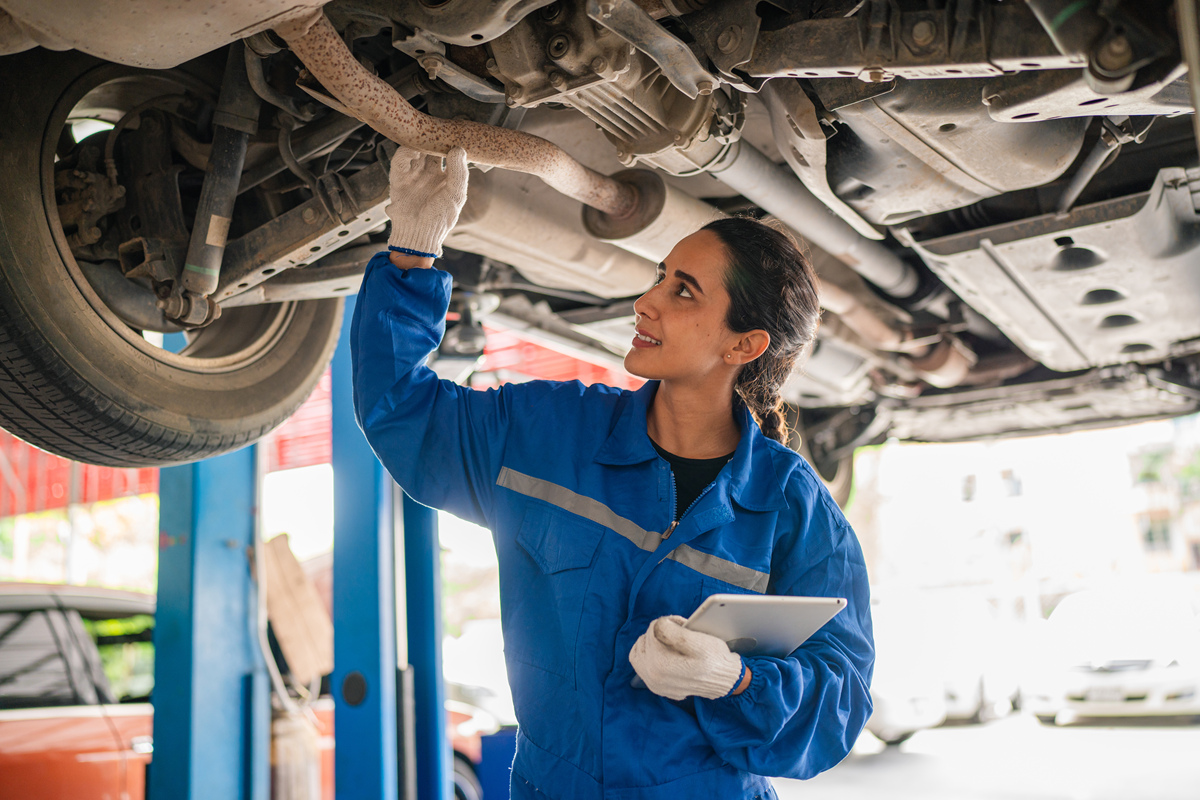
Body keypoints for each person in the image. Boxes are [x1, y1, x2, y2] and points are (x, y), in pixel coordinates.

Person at [352, 146, 874, 800]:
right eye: (660, 276)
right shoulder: (546, 435)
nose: (645, 301)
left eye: (682, 291)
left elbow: (839, 709)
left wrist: (735, 680)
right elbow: (400, 411)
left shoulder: (795, 513)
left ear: (744, 346)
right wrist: (413, 253)